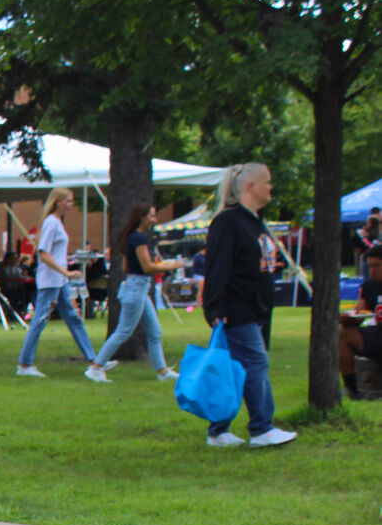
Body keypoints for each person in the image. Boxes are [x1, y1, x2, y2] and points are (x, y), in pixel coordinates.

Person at [202, 163, 297, 448]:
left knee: (233, 370)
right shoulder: (228, 222)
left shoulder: (255, 222)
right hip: (236, 308)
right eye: (267, 182)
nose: (271, 188)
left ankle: (218, 431)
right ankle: (261, 428)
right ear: (251, 186)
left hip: (256, 308)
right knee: (256, 363)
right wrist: (215, 308)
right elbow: (217, 266)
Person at [85, 204, 186, 382]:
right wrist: (173, 265)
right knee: (123, 332)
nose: (154, 220)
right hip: (137, 289)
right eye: (152, 216)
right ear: (142, 217)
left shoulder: (131, 238)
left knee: (154, 332)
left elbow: (127, 266)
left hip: (137, 288)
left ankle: (162, 372)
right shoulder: (138, 239)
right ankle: (96, 367)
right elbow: (147, 267)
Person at [15, 187, 94, 376]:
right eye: (67, 200)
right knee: (40, 321)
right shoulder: (52, 223)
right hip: (51, 281)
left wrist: (64, 274)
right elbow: (43, 253)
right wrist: (65, 271)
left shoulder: (56, 222)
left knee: (73, 318)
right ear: (57, 201)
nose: (70, 204)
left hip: (59, 281)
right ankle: (25, 365)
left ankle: (93, 360)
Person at [339, 246, 382, 397]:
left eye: (377, 265)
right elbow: (359, 312)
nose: (372, 270)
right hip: (377, 335)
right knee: (343, 334)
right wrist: (349, 318)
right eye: (369, 266)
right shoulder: (369, 286)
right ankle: (351, 388)